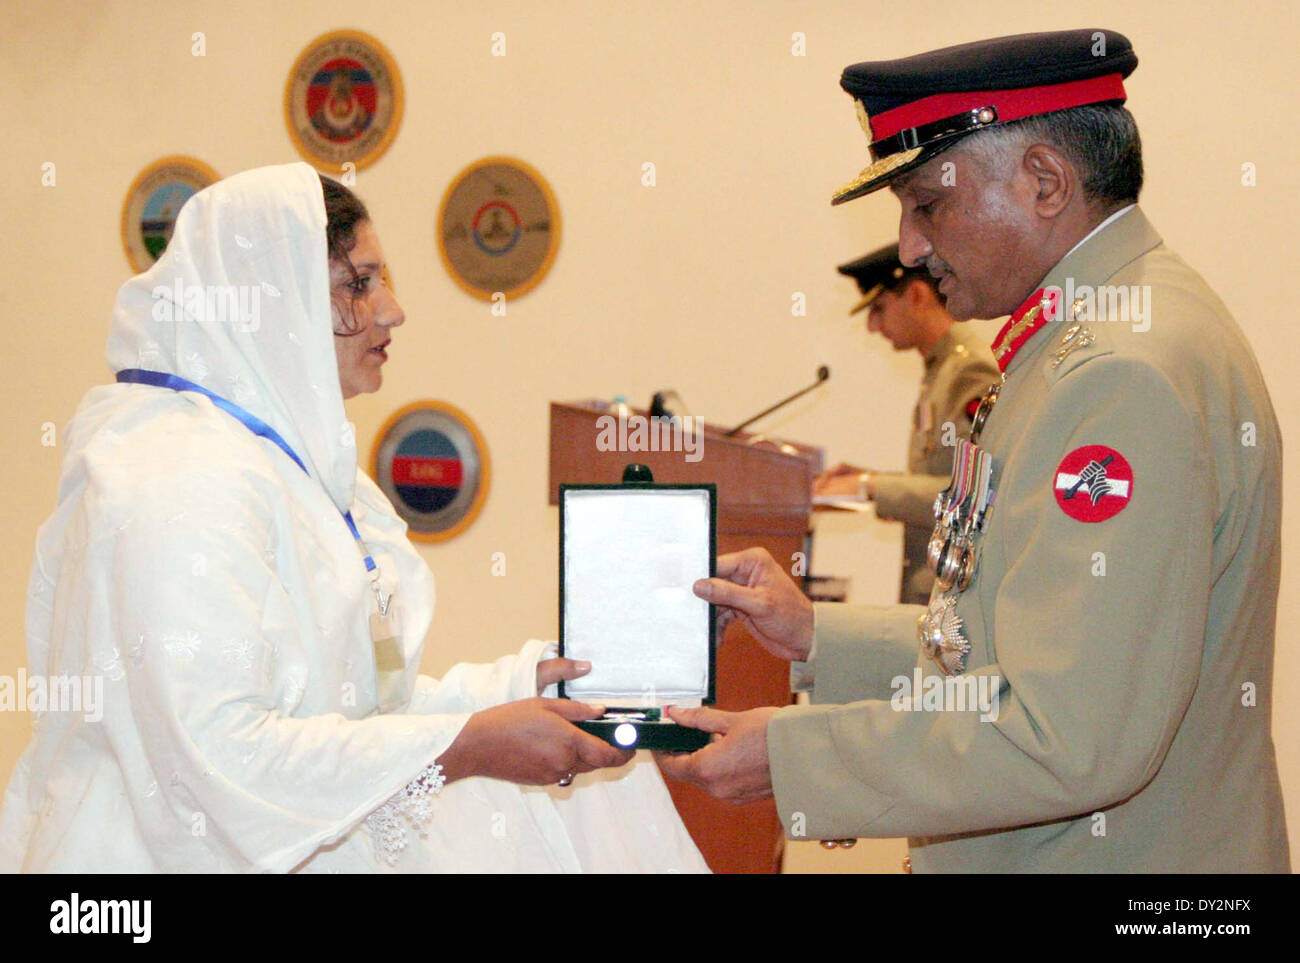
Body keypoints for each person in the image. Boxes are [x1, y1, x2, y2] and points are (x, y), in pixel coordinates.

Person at [659, 29, 1289, 872]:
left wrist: (796, 753)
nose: (911, 248)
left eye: (928, 203)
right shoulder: (1089, 333)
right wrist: (817, 635)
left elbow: (1065, 734)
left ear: (1044, 182)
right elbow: (1008, 641)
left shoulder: (1120, 373)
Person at [0, 162, 708, 873]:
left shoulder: (293, 468)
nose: (393, 309)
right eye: (358, 284)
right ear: (276, 300)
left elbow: (363, 708)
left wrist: (533, 686)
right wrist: (464, 745)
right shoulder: (175, 476)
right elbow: (217, 758)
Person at [815, 244, 999, 603]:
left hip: (960, 599)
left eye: (879, 308)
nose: (871, 326)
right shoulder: (940, 370)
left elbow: (977, 496)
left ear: (916, 295)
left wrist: (871, 486)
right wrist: (865, 480)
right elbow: (943, 475)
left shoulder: (969, 371)